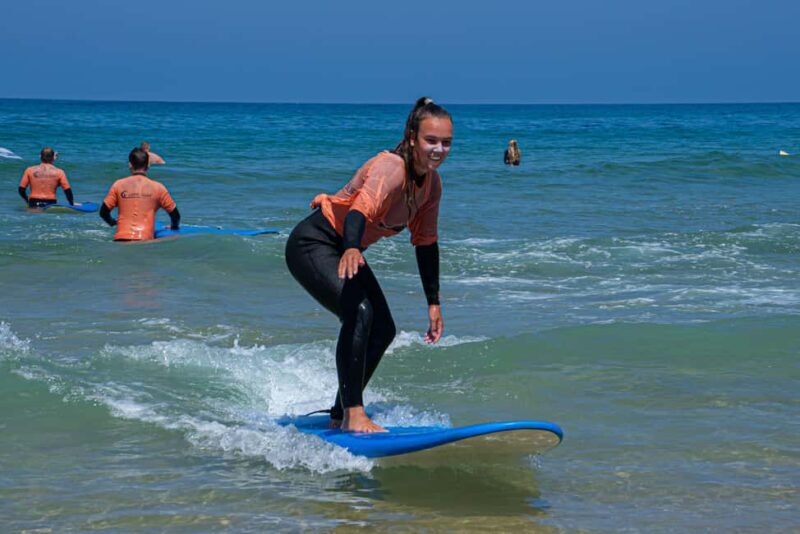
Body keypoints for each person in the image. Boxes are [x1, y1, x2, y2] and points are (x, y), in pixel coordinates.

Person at [285, 97, 453, 433]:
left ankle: (339, 412)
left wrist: (433, 303)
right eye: (430, 140)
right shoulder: (391, 168)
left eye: (446, 143)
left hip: (345, 247)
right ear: (411, 138)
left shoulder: (431, 185)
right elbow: (361, 211)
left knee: (384, 328)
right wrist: (350, 247)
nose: (438, 150)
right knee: (360, 313)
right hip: (314, 244)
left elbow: (426, 243)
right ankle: (354, 414)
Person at [99, 148, 180, 241]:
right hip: (145, 241)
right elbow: (175, 215)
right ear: (148, 165)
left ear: (130, 164)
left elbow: (103, 212)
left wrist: (112, 222)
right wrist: (174, 227)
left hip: (120, 240)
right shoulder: (159, 187)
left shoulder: (118, 185)